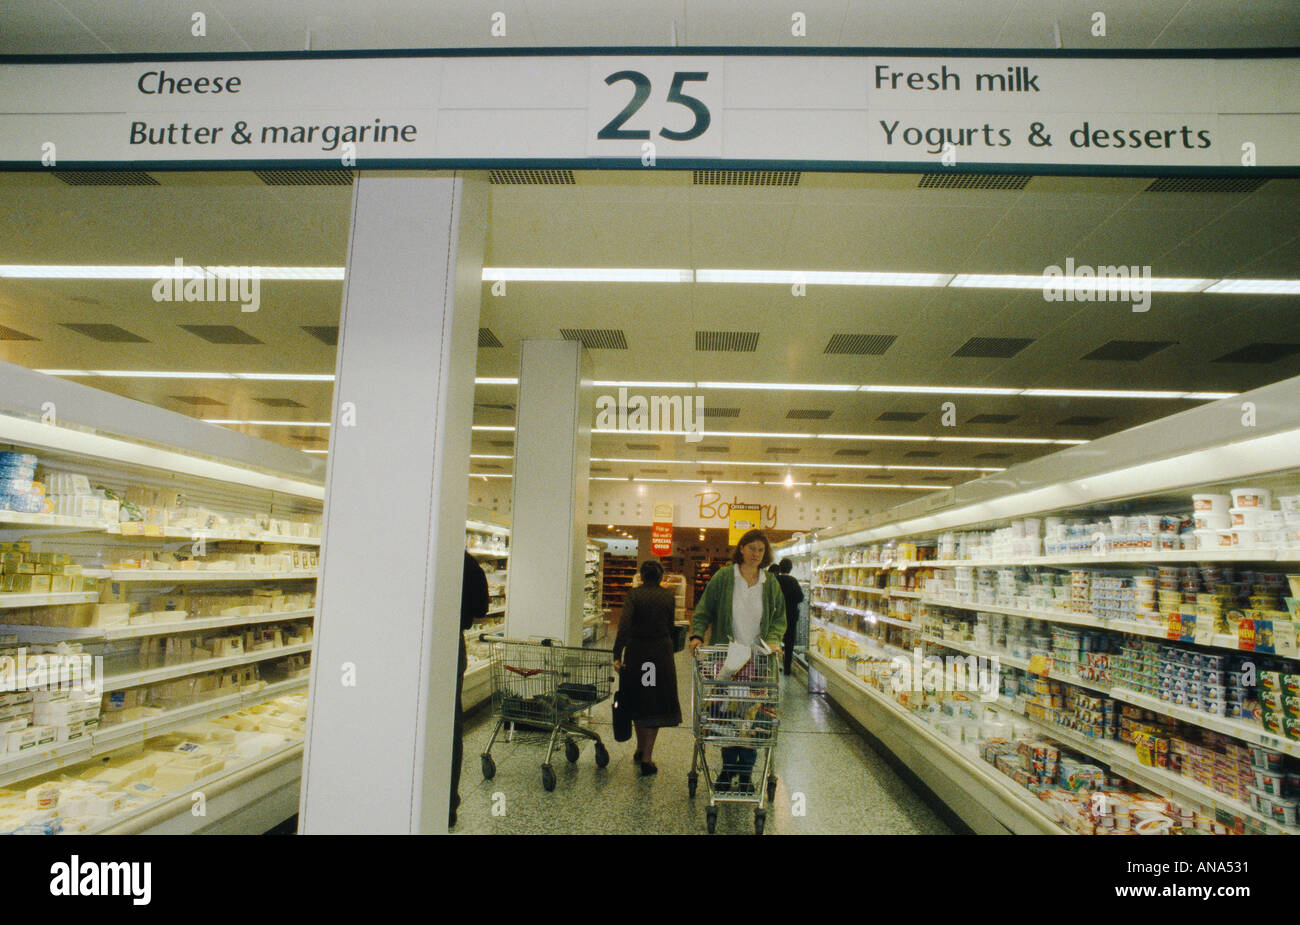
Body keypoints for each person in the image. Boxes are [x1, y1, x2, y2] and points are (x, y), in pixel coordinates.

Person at [689, 529, 786, 792]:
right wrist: (697, 635)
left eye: (761, 550)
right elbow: (704, 608)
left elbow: (779, 619)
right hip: (727, 660)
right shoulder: (724, 577)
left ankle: (743, 773)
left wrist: (774, 639)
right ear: (741, 549)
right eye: (752, 548)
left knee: (753, 716)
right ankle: (731, 768)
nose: (756, 554)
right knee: (727, 715)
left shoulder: (771, 583)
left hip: (758, 661)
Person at [612, 559, 682, 776]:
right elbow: (670, 626)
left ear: (641, 576)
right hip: (659, 654)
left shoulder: (633, 595)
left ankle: (640, 747)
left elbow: (624, 626)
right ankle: (647, 757)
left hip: (638, 653)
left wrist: (617, 653)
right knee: (655, 701)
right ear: (660, 576)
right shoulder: (668, 596)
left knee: (639, 698)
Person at [451, 550, 488, 828]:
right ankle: (447, 801)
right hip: (452, 643)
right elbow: (479, 612)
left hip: (406, 648)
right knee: (450, 725)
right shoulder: (468, 563)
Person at [771, 558, 804, 675]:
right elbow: (800, 597)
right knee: (789, 643)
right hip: (790, 617)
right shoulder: (793, 581)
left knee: (774, 641)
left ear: (780, 568)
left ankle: (773, 667)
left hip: (776, 617)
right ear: (790, 569)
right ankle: (787, 669)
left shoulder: (774, 580)